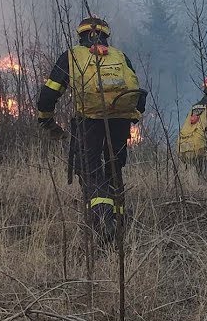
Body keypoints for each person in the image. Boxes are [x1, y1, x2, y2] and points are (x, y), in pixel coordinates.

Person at [35, 15, 147, 246]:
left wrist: (46, 120)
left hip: (89, 122)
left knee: (91, 172)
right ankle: (119, 223)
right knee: (114, 170)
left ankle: (102, 221)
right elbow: (138, 97)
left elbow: (49, 94)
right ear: (106, 36)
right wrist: (130, 117)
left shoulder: (72, 56)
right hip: (120, 120)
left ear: (80, 36)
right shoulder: (119, 56)